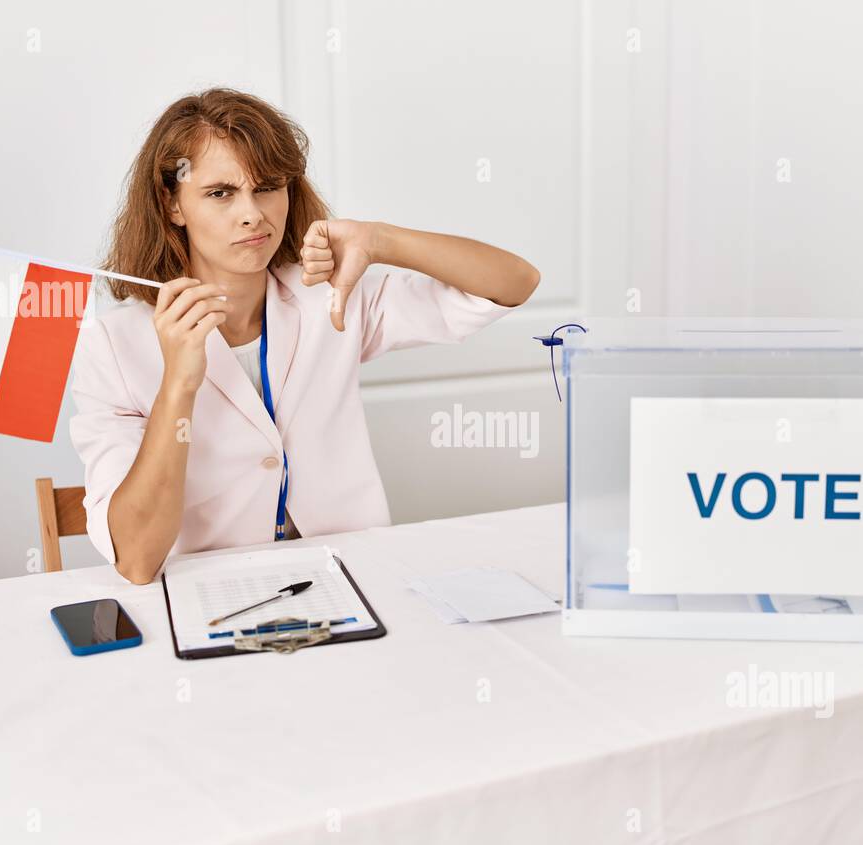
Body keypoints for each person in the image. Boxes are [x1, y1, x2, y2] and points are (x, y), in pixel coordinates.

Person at [69, 88, 540, 584]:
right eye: (220, 193)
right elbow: (138, 560)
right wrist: (178, 387)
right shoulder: (113, 347)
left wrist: (380, 240)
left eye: (267, 186)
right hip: (212, 596)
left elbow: (513, 284)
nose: (252, 214)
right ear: (172, 205)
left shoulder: (330, 295)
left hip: (353, 581)